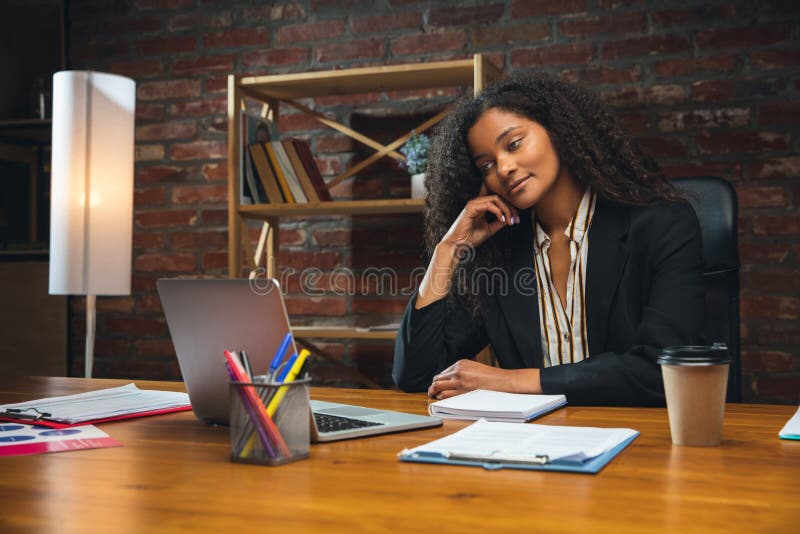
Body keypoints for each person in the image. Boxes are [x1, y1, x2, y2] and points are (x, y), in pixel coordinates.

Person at [392, 71, 704, 406]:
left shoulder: (661, 224)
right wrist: (447, 251)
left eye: (513, 144)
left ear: (557, 131)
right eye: (486, 166)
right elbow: (416, 376)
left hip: (641, 439)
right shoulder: (500, 252)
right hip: (533, 444)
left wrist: (510, 382)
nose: (504, 168)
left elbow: (661, 370)